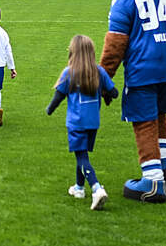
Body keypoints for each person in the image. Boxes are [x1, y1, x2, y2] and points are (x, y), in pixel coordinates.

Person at [46, 35, 116, 208]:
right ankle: (79, 188)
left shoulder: (69, 72)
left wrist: (50, 109)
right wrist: (106, 93)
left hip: (76, 123)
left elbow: (59, 96)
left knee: (82, 157)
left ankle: (96, 188)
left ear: (73, 52)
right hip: (93, 123)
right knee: (82, 154)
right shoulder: (99, 71)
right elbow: (114, 92)